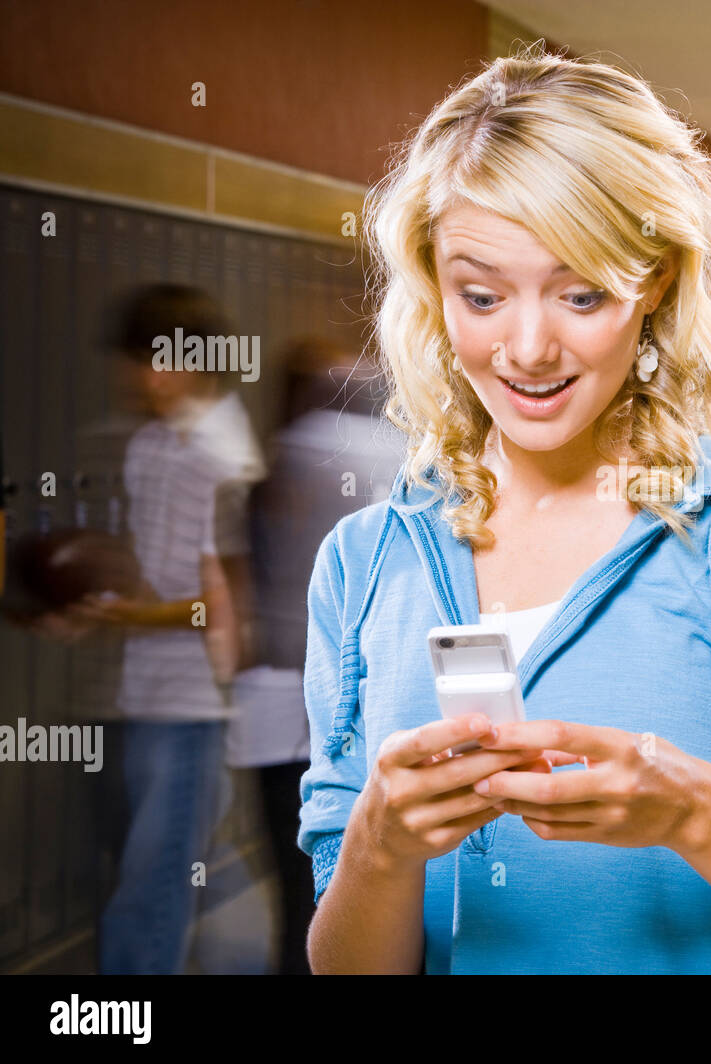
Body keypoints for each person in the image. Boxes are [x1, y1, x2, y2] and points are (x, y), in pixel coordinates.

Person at [297, 44, 711, 975]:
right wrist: (380, 843)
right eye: (481, 294)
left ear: (653, 281)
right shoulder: (365, 564)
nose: (527, 347)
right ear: (431, 284)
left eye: (582, 293)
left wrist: (698, 814)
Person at [81, 283, 265, 974]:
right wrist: (96, 601)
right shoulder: (152, 445)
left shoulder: (223, 458)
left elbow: (216, 609)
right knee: (157, 866)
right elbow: (153, 566)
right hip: (140, 692)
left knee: (154, 883)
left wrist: (130, 616)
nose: (134, 378)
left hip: (193, 704)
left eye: (149, 361)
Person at [231, 337, 403, 974]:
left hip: (275, 698)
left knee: (292, 869)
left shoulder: (280, 453)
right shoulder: (393, 451)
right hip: (360, 701)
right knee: (359, 874)